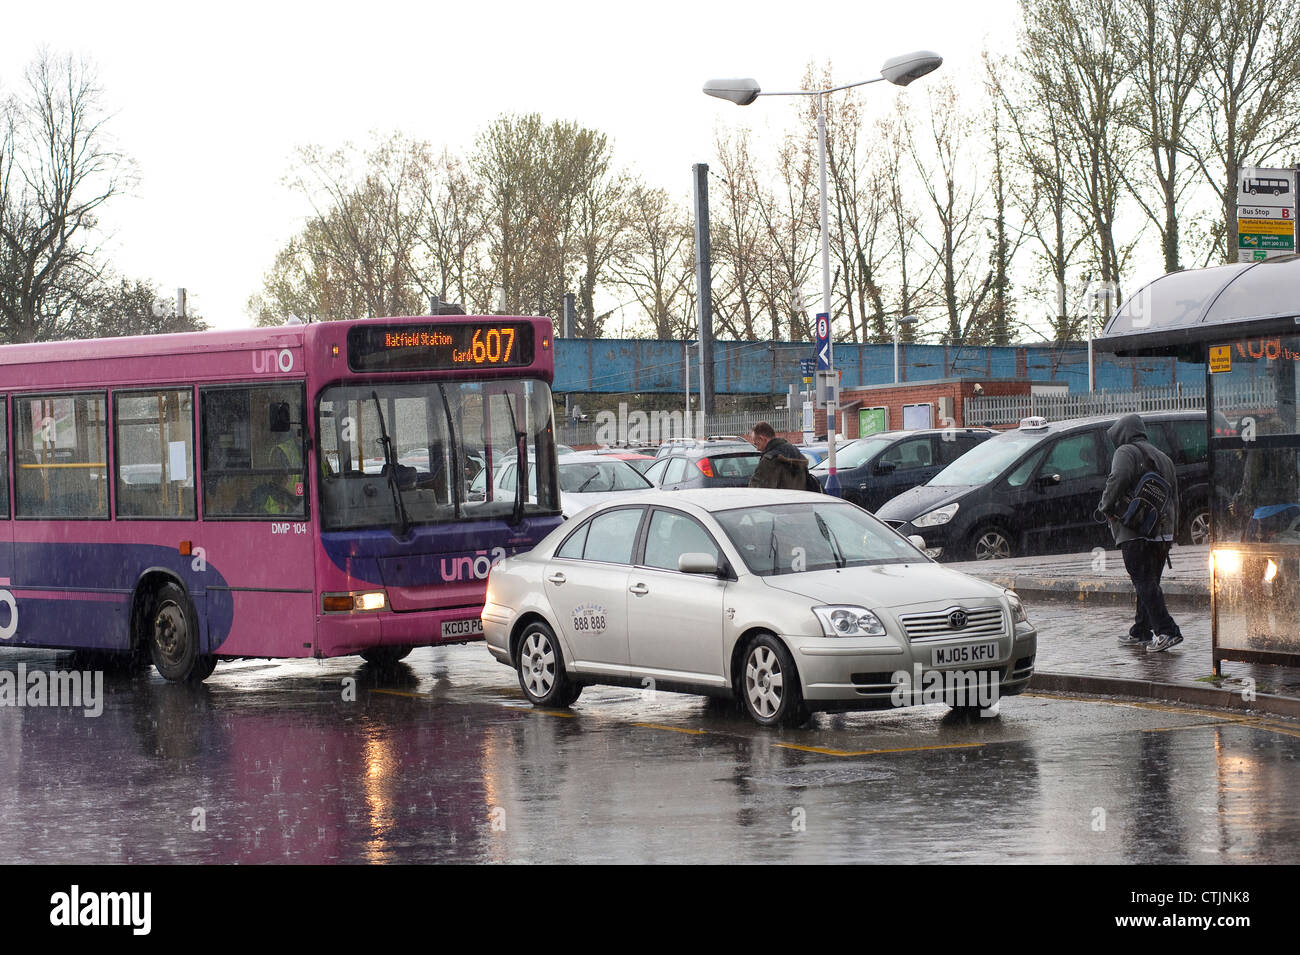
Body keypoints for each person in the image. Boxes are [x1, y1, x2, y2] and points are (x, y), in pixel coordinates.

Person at [1096, 414, 1182, 652]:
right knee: (1149, 582)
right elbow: (1175, 497)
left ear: (1122, 434)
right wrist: (1173, 531)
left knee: (1143, 582)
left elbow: (1118, 478)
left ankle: (1167, 631)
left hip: (1135, 530)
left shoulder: (1125, 452)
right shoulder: (1163, 457)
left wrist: (1104, 505)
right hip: (1162, 532)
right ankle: (1141, 631)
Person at [748, 421, 821, 492]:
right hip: (800, 501)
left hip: (781, 502)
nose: (757, 448)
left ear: (762, 439)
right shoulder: (795, 451)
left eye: (757, 444)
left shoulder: (770, 459)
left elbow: (756, 490)